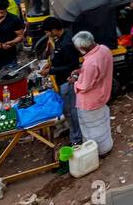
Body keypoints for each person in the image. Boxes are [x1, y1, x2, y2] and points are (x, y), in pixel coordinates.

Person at [38, 17, 83, 145]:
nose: (46, 35)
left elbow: (71, 66)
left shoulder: (67, 43)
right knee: (67, 110)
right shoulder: (62, 36)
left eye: (47, 32)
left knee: (70, 111)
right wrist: (50, 65)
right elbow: (59, 57)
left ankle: (77, 139)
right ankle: (74, 133)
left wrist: (50, 71)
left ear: (53, 30)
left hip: (67, 81)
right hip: (60, 78)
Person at [71, 30, 114, 155]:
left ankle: (98, 151)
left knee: (92, 128)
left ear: (83, 47)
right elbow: (99, 72)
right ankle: (106, 147)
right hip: (102, 94)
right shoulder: (104, 49)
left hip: (90, 101)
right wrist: (81, 71)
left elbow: (85, 86)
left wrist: (74, 81)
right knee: (102, 124)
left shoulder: (90, 62)